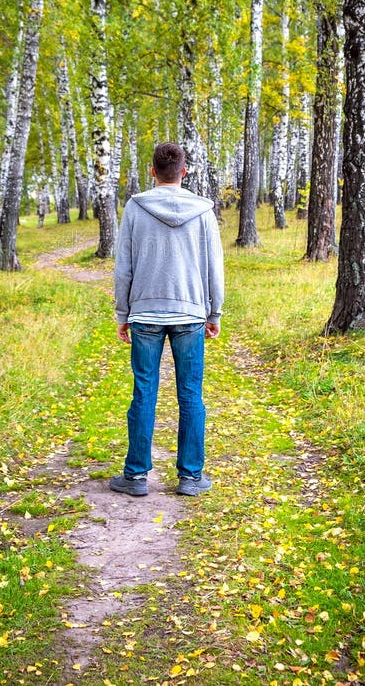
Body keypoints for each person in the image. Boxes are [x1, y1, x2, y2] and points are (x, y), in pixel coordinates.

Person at [111, 142, 224, 497]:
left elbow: (123, 266)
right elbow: (214, 266)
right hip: (190, 313)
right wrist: (214, 311)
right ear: (184, 172)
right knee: (191, 393)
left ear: (153, 171)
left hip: (144, 312)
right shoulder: (203, 211)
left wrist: (122, 313)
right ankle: (190, 477)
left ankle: (136, 476)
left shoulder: (135, 207)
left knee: (144, 391)